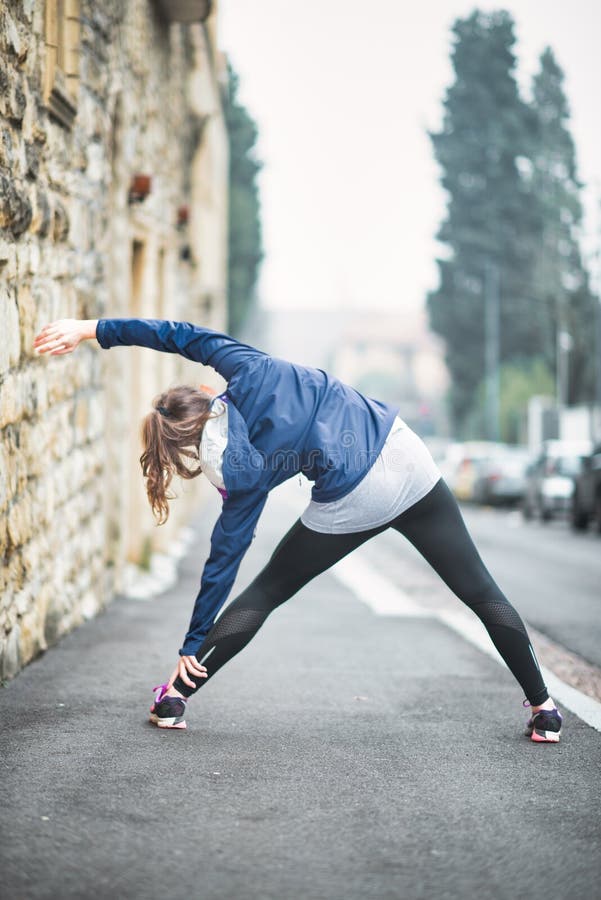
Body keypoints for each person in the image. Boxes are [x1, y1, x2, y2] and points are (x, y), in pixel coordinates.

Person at [34, 317, 563, 743]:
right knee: (479, 590)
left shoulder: (241, 479)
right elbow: (178, 335)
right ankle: (544, 708)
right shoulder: (247, 368)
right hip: (405, 458)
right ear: (204, 391)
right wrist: (92, 329)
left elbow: (224, 561)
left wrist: (193, 641)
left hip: (351, 499)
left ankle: (173, 700)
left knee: (266, 591)